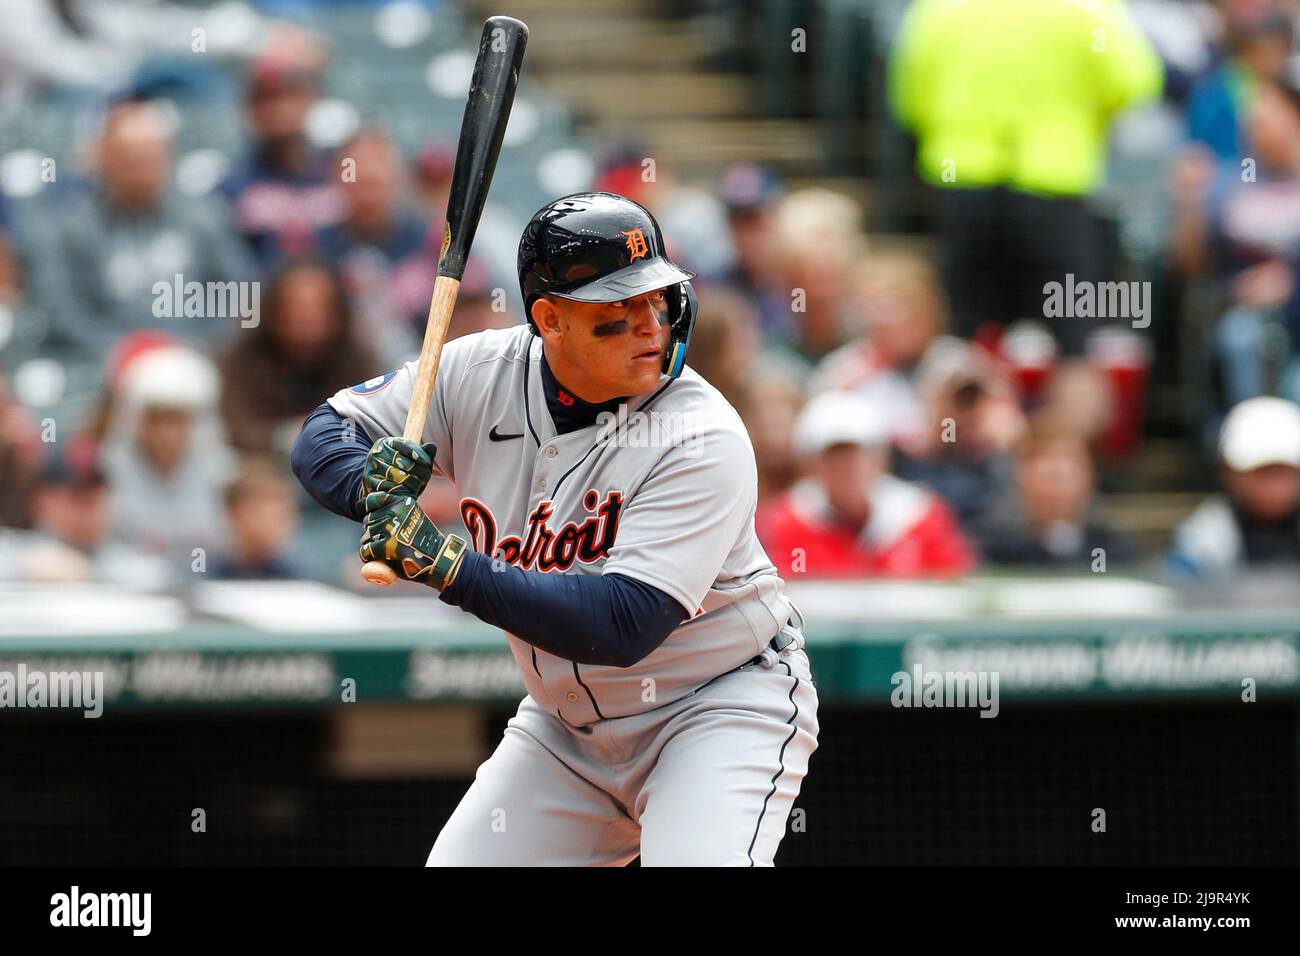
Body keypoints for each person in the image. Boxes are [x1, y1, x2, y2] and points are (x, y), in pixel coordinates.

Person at [292, 192, 818, 866]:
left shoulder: (702, 432)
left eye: (655, 298)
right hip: (567, 731)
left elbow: (621, 623)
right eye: (617, 308)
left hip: (713, 708)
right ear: (550, 319)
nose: (649, 324)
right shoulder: (476, 373)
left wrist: (447, 566)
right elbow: (321, 434)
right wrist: (371, 485)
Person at [889, 0, 1163, 354]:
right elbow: (1136, 82)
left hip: (967, 188)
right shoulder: (1086, 6)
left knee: (968, 340)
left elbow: (908, 100)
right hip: (1055, 189)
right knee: (1074, 345)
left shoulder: (939, 8)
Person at [35, 98, 254, 357]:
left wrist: (198, 346)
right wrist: (123, 351)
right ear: (103, 159)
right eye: (128, 159)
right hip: (108, 363)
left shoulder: (205, 215)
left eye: (149, 158)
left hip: (198, 354)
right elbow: (62, 312)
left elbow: (242, 296)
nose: (139, 170)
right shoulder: (72, 226)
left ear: (168, 157)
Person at [756, 391, 975, 579]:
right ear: (813, 465)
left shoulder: (921, 517)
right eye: (834, 458)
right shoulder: (783, 523)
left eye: (857, 455)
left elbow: (955, 585)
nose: (848, 468)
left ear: (879, 459)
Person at [218, 259, 380, 460]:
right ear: (274, 311)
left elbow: (374, 427)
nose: (307, 318)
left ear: (338, 314)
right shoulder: (242, 361)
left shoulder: (360, 362)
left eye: (318, 309)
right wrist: (282, 436)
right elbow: (235, 429)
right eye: (296, 308)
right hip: (263, 467)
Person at [101, 343, 235, 585]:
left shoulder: (224, 473)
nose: (166, 432)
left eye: (177, 420)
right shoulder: (106, 471)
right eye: (157, 419)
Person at [971, 417, 1140, 569]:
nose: (1057, 479)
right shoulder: (993, 547)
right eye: (1046, 468)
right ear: (1020, 475)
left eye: (1068, 466)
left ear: (1089, 476)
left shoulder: (1111, 548)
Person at [1167, 396, 1300, 578]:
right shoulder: (1203, 537)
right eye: (1261, 472)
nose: (1273, 486)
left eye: (1282, 472)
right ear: (1230, 473)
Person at [210, 458, 306, 580]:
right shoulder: (205, 568)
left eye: (288, 515)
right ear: (237, 514)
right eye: (275, 518)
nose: (286, 528)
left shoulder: (297, 575)